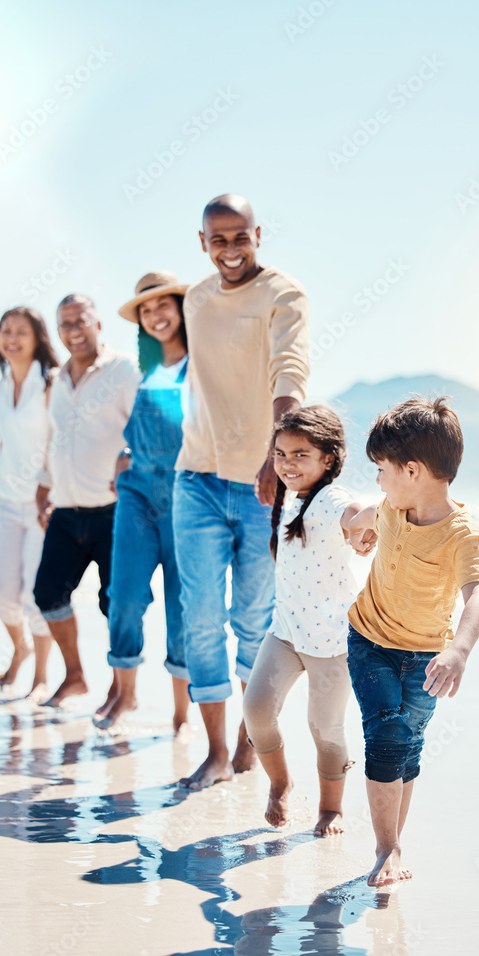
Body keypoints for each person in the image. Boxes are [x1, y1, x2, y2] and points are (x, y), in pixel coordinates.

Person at [173, 193, 310, 790]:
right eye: (218, 239)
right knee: (199, 619)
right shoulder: (195, 299)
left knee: (253, 623)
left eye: (241, 237)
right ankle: (214, 751)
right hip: (196, 478)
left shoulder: (286, 295)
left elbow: (289, 374)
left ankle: (249, 741)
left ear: (259, 233)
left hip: (262, 485)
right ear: (202, 242)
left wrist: (274, 455)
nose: (231, 250)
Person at [346, 396, 479, 887]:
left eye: (381, 470)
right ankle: (386, 848)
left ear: (411, 471)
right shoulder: (392, 504)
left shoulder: (462, 535)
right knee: (385, 736)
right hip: (370, 640)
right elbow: (364, 514)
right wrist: (354, 530)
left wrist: (460, 649)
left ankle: (394, 842)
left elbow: (478, 594)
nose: (379, 481)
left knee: (407, 747)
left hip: (428, 653)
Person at [243, 406, 364, 835]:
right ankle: (281, 782)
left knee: (325, 728)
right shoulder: (291, 496)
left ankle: (331, 809)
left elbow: (353, 513)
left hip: (330, 641)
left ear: (328, 459)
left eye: (300, 455)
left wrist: (365, 526)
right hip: (286, 631)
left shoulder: (331, 498)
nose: (287, 463)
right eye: (280, 454)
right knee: (256, 709)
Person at [33, 294, 140, 709]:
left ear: (98, 324)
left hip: (114, 512)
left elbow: (141, 426)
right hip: (65, 510)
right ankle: (75, 675)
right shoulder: (56, 381)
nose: (74, 330)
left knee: (115, 603)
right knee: (47, 595)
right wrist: (43, 489)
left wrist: (127, 459)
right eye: (65, 324)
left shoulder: (123, 370)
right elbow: (53, 441)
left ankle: (121, 689)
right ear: (57, 331)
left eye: (81, 321)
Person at [97, 271, 191, 731]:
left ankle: (180, 715)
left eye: (163, 305)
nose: (155, 316)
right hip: (136, 494)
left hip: (189, 495)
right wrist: (122, 454)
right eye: (146, 310)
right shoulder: (142, 369)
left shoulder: (203, 364)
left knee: (183, 605)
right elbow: (129, 430)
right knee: (124, 596)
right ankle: (126, 696)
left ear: (181, 307)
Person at [0, 306, 59, 699]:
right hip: (5, 501)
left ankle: (41, 676)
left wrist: (49, 491)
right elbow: (4, 443)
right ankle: (21, 649)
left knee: (37, 595)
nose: (12, 338)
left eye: (21, 332)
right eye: (6, 331)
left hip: (42, 505)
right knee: (0, 592)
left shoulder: (51, 383)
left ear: (37, 339)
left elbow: (61, 441)